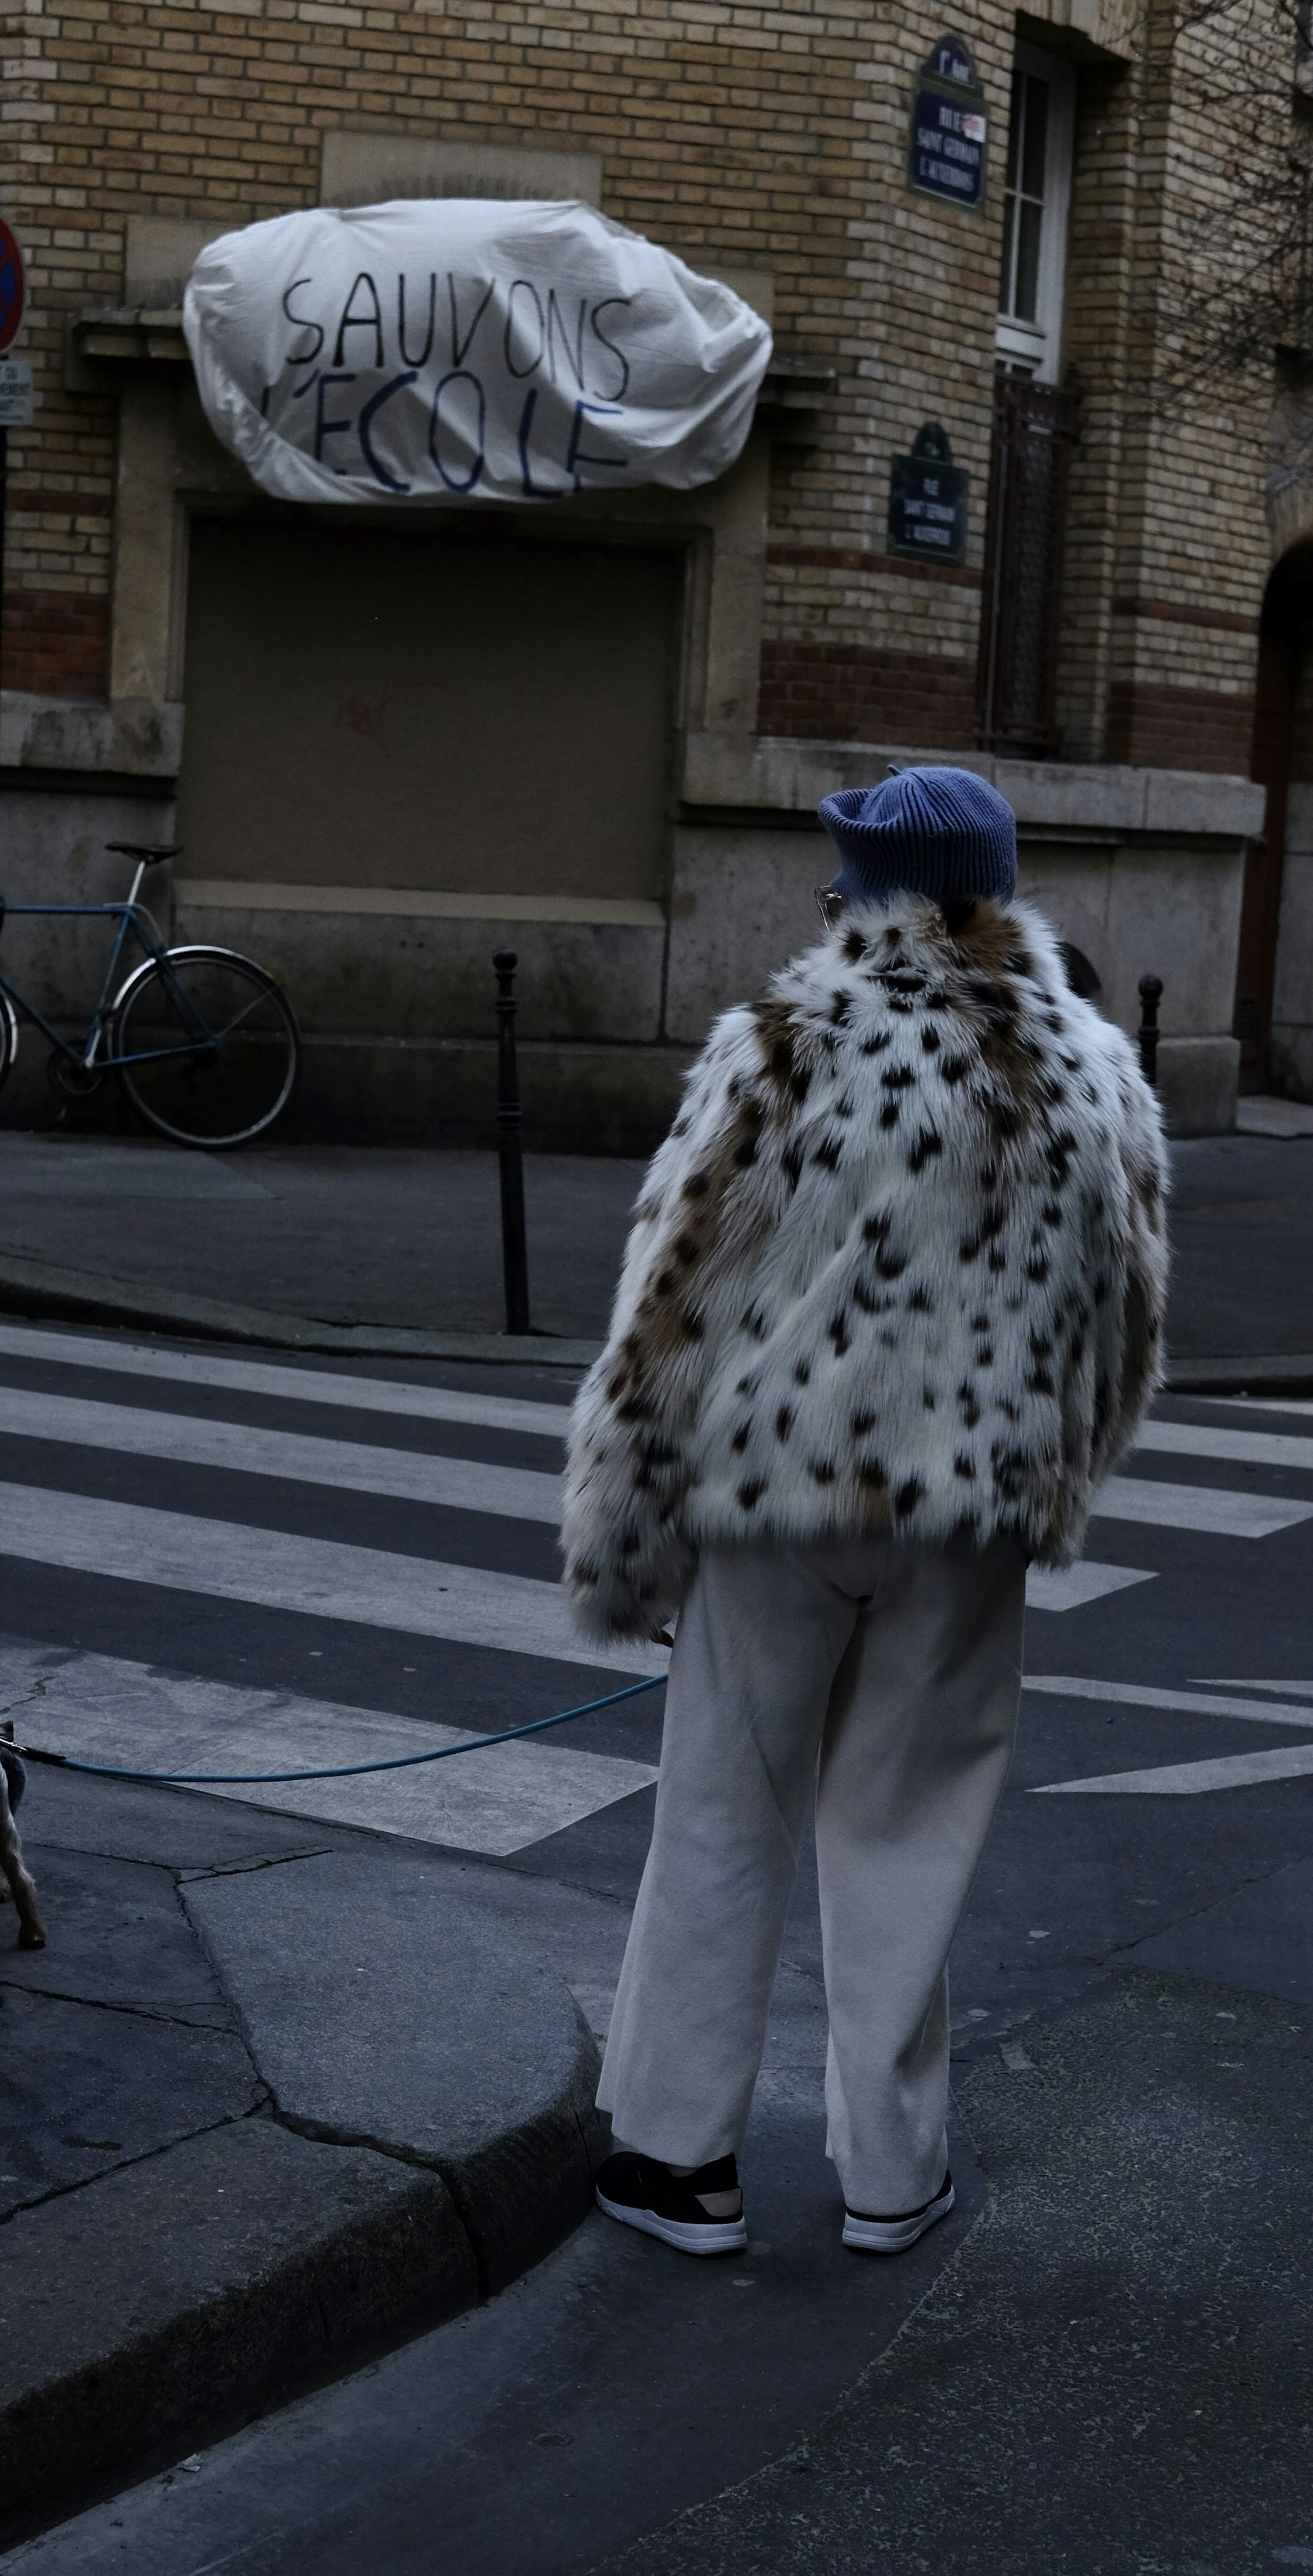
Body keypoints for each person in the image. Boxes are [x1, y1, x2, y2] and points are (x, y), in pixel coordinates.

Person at [561, 765, 1168, 2257]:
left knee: (721, 1809)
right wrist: (1054, 1475)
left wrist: (622, 1529)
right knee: (909, 1829)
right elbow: (1127, 1311)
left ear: (874, 895)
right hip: (965, 1517)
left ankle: (674, 2161)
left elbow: (670, 1300)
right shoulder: (1086, 1064)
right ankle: (891, 2173)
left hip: (772, 1498)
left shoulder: (782, 1042)